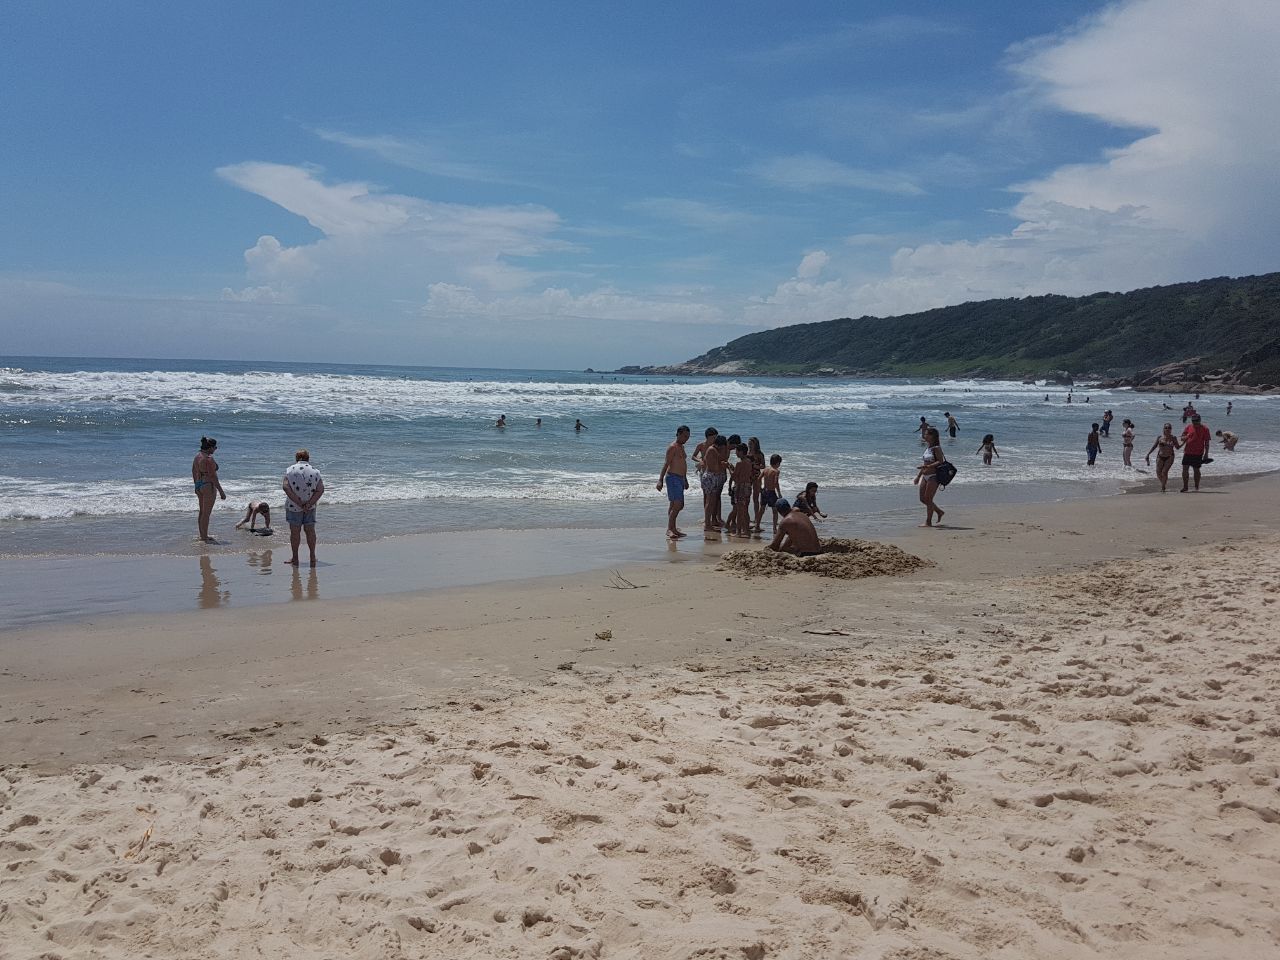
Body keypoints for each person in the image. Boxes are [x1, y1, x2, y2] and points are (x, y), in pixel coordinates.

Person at [283, 449, 325, 566]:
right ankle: (312, 556)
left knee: (295, 533)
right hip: (310, 507)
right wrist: (309, 503)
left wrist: (299, 503)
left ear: (297, 458)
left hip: (293, 506)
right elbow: (320, 489)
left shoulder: (290, 470)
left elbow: (286, 487)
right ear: (308, 458)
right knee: (310, 531)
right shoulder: (315, 471)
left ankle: (295, 558)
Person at [656, 425, 690, 539]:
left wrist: (685, 479)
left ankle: (673, 528)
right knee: (678, 505)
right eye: (685, 436)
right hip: (673, 478)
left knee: (675, 505)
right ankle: (670, 529)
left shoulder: (681, 447)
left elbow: (682, 464)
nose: (687, 439)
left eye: (688, 436)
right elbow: (666, 464)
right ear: (678, 434)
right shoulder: (673, 447)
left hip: (680, 478)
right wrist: (660, 480)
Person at [192, 436, 226, 542]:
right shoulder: (208, 459)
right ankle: (204, 537)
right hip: (208, 485)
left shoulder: (197, 456)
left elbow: (193, 471)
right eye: (215, 447)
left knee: (202, 512)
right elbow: (213, 476)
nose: (215, 449)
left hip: (199, 484)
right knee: (206, 513)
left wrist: (196, 485)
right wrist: (221, 491)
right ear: (210, 447)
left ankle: (202, 535)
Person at [913, 427, 947, 527]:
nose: (924, 435)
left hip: (934, 476)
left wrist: (928, 466)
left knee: (928, 499)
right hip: (925, 475)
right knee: (922, 499)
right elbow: (924, 463)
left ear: (932, 436)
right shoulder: (927, 448)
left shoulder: (936, 448)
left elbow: (940, 461)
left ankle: (928, 522)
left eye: (927, 434)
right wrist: (918, 476)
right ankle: (939, 511)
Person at [701, 435, 728, 533]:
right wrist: (722, 465)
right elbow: (713, 468)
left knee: (712, 501)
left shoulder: (714, 450)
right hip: (710, 477)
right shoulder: (712, 450)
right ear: (720, 444)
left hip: (712, 477)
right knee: (710, 502)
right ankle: (707, 524)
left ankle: (710, 522)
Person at [1179, 414, 1211, 492]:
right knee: (1185, 469)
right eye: (1193, 421)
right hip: (1187, 451)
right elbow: (1182, 438)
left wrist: (1206, 454)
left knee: (1196, 470)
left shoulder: (1205, 429)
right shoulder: (1188, 427)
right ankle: (1185, 487)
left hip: (1198, 453)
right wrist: (1186, 437)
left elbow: (1207, 443)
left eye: (1196, 421)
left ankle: (1196, 487)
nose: (1195, 422)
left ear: (1200, 420)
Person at [1145, 423, 1181, 492]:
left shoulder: (1173, 438)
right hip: (1160, 456)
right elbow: (1154, 446)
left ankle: (1163, 487)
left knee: (1164, 472)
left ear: (1171, 429)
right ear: (1163, 429)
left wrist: (1184, 441)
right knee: (1158, 472)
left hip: (1170, 457)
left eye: (1169, 428)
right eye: (1166, 428)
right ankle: (1163, 483)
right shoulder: (1160, 437)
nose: (1167, 429)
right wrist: (1148, 454)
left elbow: (1177, 447)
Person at [730, 443, 754, 537]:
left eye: (737, 451)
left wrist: (730, 468)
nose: (736, 453)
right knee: (745, 510)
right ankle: (746, 530)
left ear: (740, 452)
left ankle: (738, 532)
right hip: (747, 486)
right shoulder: (749, 462)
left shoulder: (739, 463)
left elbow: (735, 477)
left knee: (740, 511)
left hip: (740, 487)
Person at [747, 437, 766, 532]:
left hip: (757, 476)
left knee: (755, 498)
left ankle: (756, 518)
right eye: (749, 443)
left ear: (756, 444)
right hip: (748, 476)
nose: (749, 445)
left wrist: (755, 466)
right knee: (747, 497)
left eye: (751, 443)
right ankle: (748, 518)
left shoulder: (759, 454)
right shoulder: (747, 452)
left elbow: (763, 466)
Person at [760, 454, 782, 533]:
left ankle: (757, 526)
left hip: (764, 491)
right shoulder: (776, 471)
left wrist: (760, 488)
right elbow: (776, 483)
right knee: (775, 511)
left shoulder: (765, 469)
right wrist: (779, 493)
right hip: (771, 492)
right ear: (778, 463)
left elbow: (759, 478)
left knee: (761, 509)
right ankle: (774, 529)